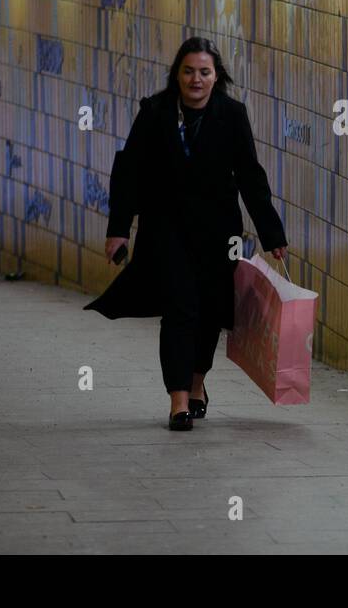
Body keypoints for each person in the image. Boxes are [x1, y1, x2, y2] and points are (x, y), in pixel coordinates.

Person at [83, 37, 287, 431]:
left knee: (211, 310)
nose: (196, 79)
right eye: (189, 71)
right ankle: (178, 400)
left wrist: (271, 232)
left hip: (218, 232)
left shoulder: (231, 114)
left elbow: (250, 176)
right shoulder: (155, 112)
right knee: (180, 308)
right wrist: (118, 230)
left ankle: (197, 384)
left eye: (204, 72)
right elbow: (129, 172)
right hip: (166, 230)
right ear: (177, 74)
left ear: (216, 76)